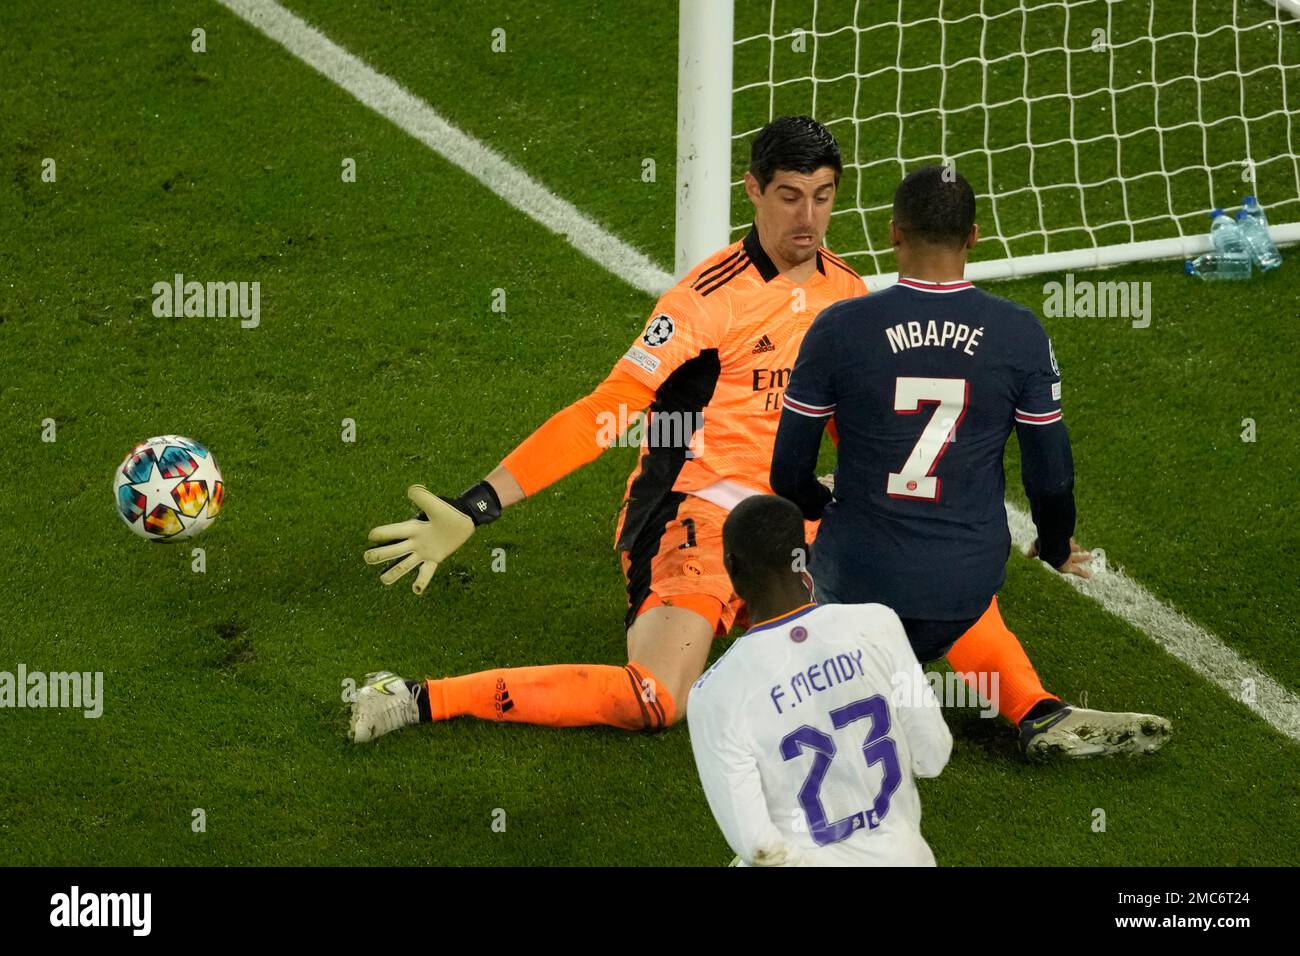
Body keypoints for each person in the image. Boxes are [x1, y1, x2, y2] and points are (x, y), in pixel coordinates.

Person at [349, 116, 866, 741]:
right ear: (753, 189)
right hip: (695, 514)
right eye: (789, 196)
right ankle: (416, 696)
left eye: (823, 195)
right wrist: (479, 503)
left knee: (926, 576)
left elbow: (844, 413)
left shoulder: (848, 290)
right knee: (655, 701)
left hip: (792, 512)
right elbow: (606, 412)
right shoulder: (703, 303)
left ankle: (1024, 707)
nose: (807, 218)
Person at [770, 164, 1172, 758]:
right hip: (963, 589)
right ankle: (1032, 709)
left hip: (856, 581)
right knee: (952, 551)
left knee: (779, 567)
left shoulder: (839, 328)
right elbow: (1051, 474)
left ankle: (864, 698)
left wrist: (828, 506)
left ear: (894, 233)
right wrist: (1057, 545)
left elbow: (786, 474)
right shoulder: (1018, 334)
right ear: (975, 236)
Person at [688, 495, 951, 866]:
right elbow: (932, 756)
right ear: (804, 555)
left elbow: (758, 846)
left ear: (731, 566)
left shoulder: (714, 693)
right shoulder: (878, 625)